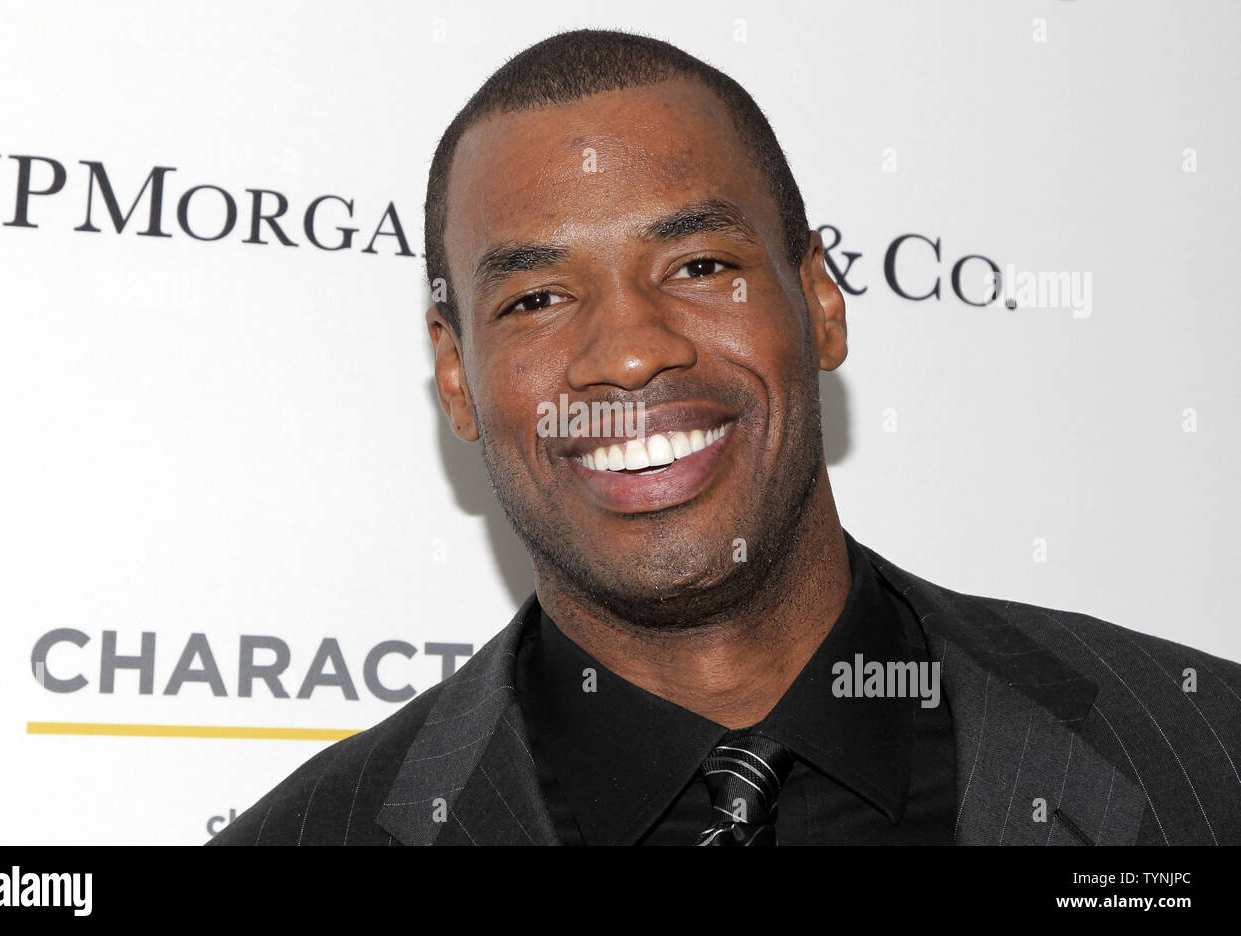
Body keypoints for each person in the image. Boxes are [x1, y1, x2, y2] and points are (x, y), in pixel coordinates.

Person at [210, 28, 1241, 846]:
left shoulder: (1206, 755)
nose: (626, 353)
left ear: (821, 303)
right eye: (534, 298)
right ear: (456, 378)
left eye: (699, 266)